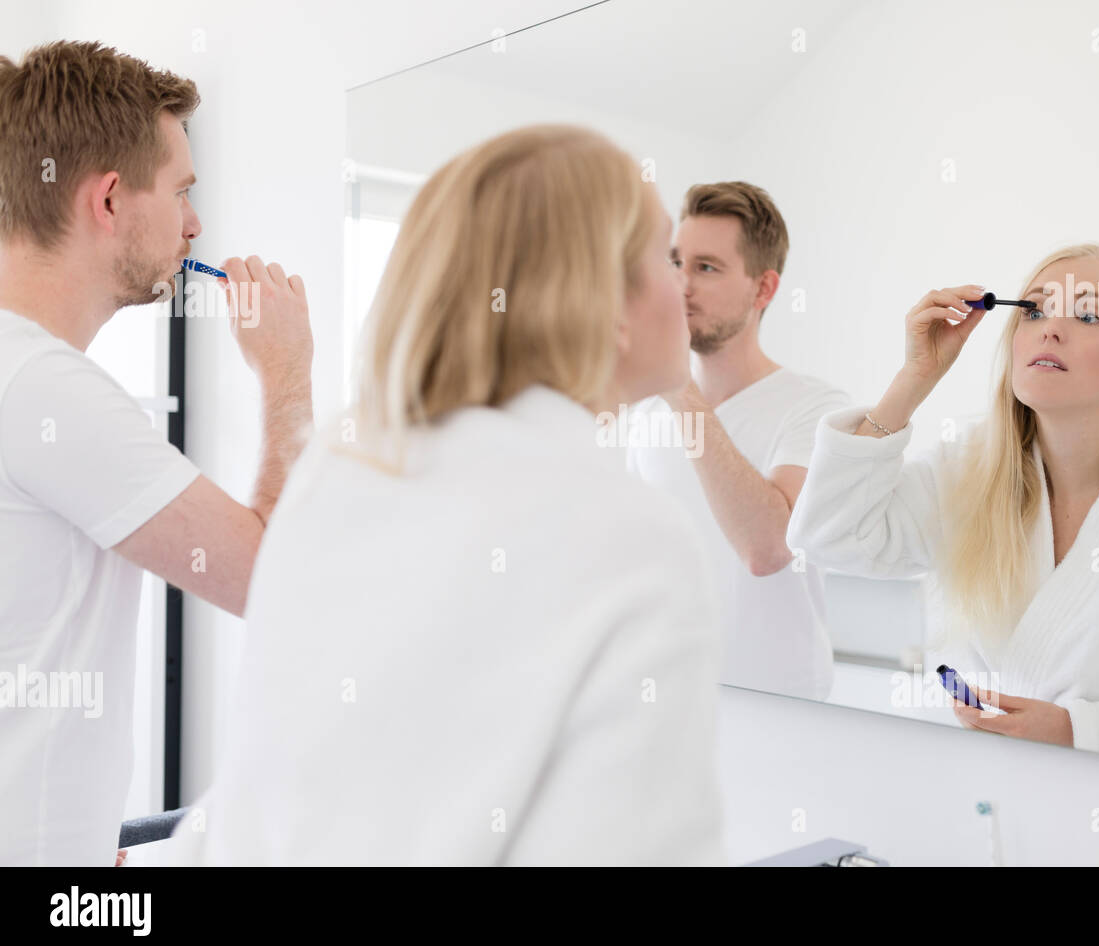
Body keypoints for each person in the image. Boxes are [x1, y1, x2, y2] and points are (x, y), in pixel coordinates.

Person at [161, 124, 727, 865]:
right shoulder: (635, 539)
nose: (684, 285)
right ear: (605, 303)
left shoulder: (343, 462)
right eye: (665, 255)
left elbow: (264, 791)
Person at [787, 243, 1099, 779]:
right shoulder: (966, 468)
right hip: (970, 805)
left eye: (1088, 314)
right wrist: (914, 378)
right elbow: (829, 539)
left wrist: (1077, 731)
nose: (1050, 329)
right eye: (1033, 309)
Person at [0, 40, 314, 865]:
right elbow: (277, 583)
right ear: (108, 199)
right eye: (181, 191)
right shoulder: (46, 388)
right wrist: (286, 372)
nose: (196, 225)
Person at [627, 182, 849, 701]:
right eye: (675, 263)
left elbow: (767, 547)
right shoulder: (643, 415)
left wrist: (678, 386)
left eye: (706, 268)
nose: (680, 285)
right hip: (672, 700)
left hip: (783, 708)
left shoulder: (816, 409)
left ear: (764, 289)